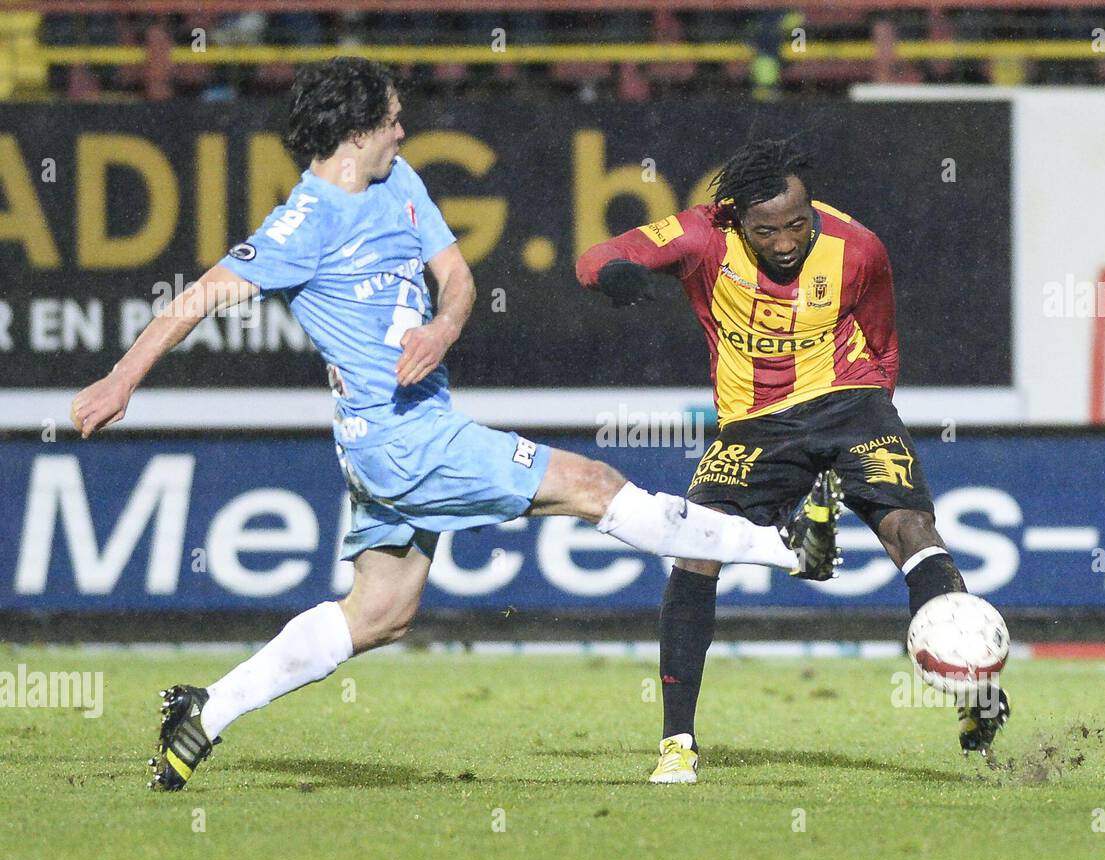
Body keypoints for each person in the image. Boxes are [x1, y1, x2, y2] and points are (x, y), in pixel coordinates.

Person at [70, 59, 837, 792]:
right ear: (356, 133)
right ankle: (786, 548)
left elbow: (459, 282)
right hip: (399, 441)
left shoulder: (399, 181)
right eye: (393, 123)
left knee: (381, 612)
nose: (405, 133)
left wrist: (439, 331)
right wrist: (120, 377)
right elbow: (197, 297)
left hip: (414, 427)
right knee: (593, 484)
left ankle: (208, 710)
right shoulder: (303, 222)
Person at [577, 136, 1010, 783]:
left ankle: (978, 692)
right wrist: (613, 274)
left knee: (912, 529)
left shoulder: (858, 247)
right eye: (766, 231)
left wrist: (868, 433)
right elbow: (598, 255)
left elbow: (884, 344)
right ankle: (677, 742)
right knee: (696, 545)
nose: (784, 242)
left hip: (849, 403)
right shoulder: (701, 236)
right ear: (735, 219)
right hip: (753, 426)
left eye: (796, 225)